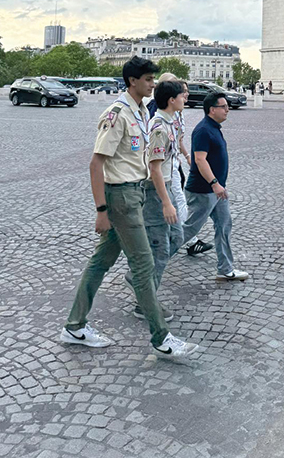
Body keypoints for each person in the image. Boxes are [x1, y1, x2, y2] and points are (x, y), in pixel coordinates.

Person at [58, 56, 199, 360]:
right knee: (144, 265)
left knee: (100, 263)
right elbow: (96, 164)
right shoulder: (117, 114)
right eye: (149, 79)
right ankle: (162, 338)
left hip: (134, 194)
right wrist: (101, 210)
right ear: (133, 81)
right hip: (120, 198)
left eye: (154, 79)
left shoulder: (139, 112)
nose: (153, 84)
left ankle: (74, 325)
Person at [180, 92, 250, 282]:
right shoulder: (203, 130)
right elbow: (199, 160)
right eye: (224, 106)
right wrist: (214, 183)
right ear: (212, 110)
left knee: (224, 225)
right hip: (204, 190)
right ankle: (156, 260)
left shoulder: (214, 128)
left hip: (216, 191)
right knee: (190, 230)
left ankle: (225, 269)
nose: (228, 109)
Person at [135, 79, 188, 321]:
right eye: (182, 95)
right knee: (160, 250)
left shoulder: (170, 122)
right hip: (156, 193)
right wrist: (166, 202)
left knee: (177, 237)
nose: (185, 98)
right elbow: (154, 169)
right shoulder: (159, 127)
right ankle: (145, 302)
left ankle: (140, 278)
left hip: (165, 188)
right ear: (171, 100)